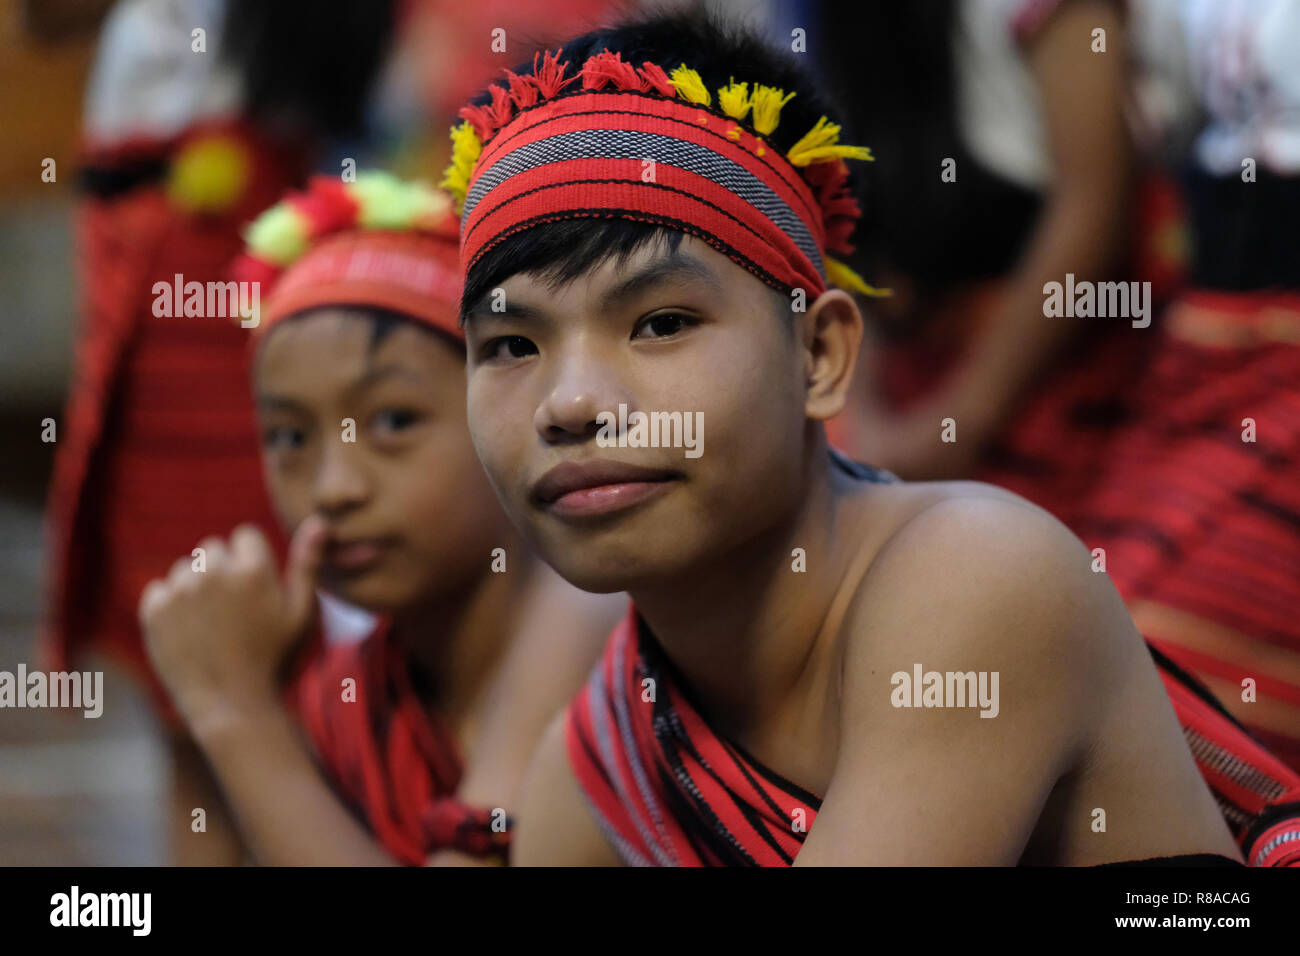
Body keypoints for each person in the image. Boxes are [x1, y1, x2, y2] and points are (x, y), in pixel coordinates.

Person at [436, 10, 1274, 865]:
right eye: (512, 345)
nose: (570, 402)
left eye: (660, 322)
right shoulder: (603, 763)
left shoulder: (976, 580)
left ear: (821, 354)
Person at [138, 173, 621, 865]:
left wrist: (234, 713)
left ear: (506, 412)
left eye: (394, 421)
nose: (333, 489)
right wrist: (226, 698)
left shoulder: (577, 609)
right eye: (290, 437)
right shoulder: (345, 688)